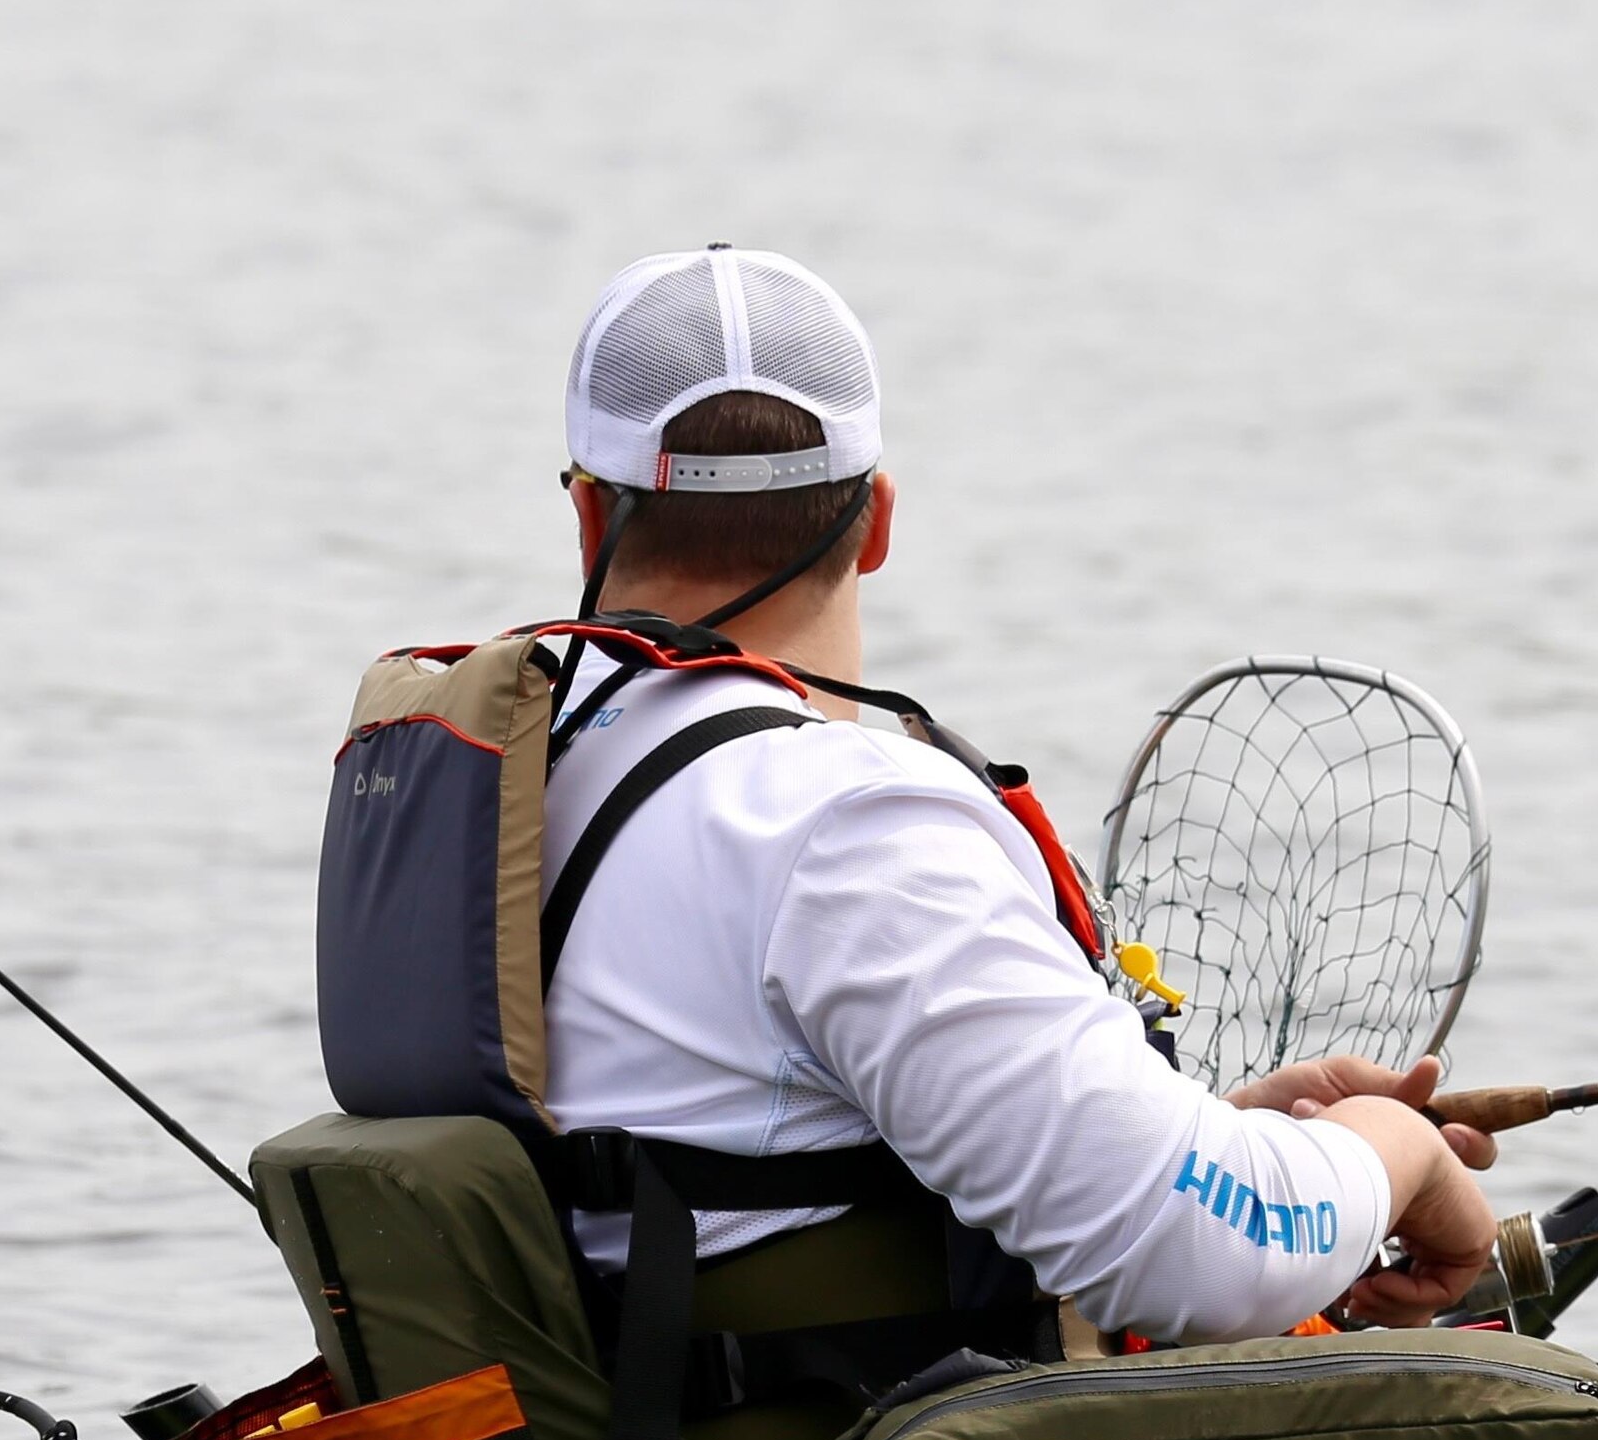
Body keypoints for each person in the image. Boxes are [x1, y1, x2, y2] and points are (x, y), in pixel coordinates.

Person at [532, 244, 1496, 1364]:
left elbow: (733, 1136)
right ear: (876, 520)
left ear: (593, 517)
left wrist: (1183, 1135)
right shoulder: (833, 825)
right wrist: (1397, 1154)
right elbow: (1203, 1259)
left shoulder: (529, 784)